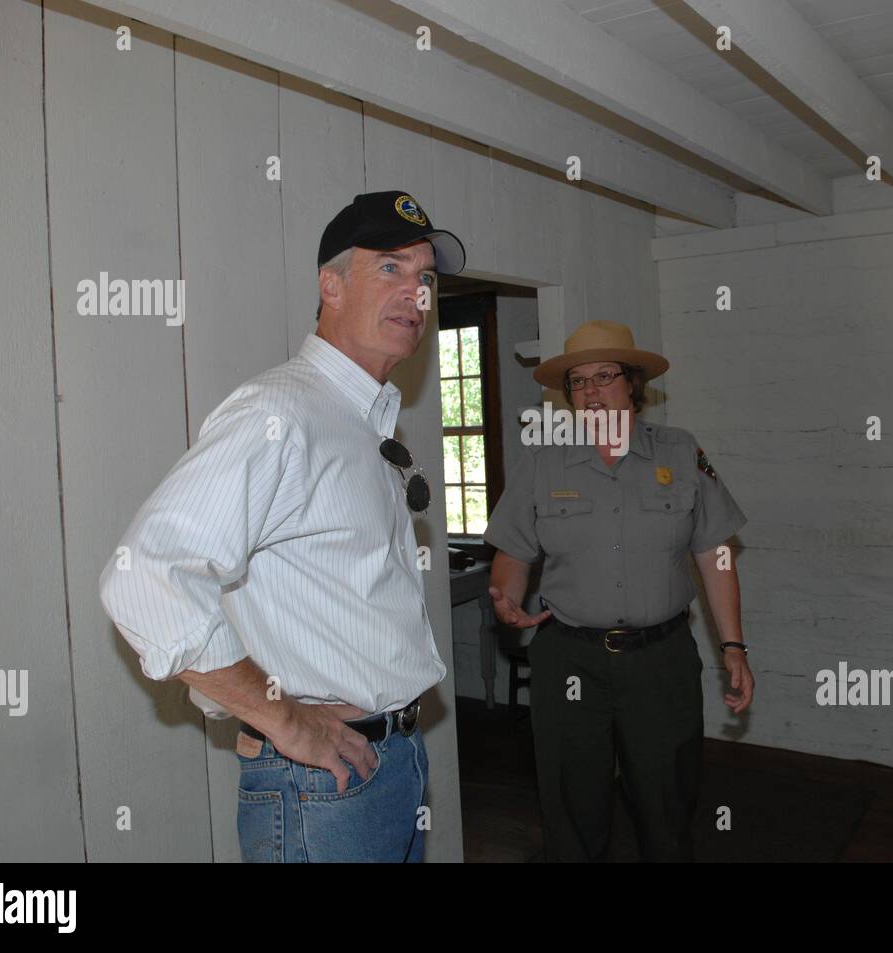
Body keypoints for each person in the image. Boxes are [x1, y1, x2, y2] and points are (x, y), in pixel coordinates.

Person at [99, 190, 464, 862]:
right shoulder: (282, 413)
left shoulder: (363, 419)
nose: (416, 293)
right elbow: (145, 578)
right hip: (321, 785)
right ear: (330, 284)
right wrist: (285, 718)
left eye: (427, 278)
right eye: (390, 268)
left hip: (389, 764)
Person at [484, 320, 754, 862]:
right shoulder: (542, 461)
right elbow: (514, 552)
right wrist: (505, 595)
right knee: (571, 806)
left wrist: (733, 646)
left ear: (633, 384)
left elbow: (714, 554)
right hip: (569, 659)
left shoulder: (680, 454)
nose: (590, 391)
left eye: (604, 376)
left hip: (661, 660)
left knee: (666, 804)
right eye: (578, 382)